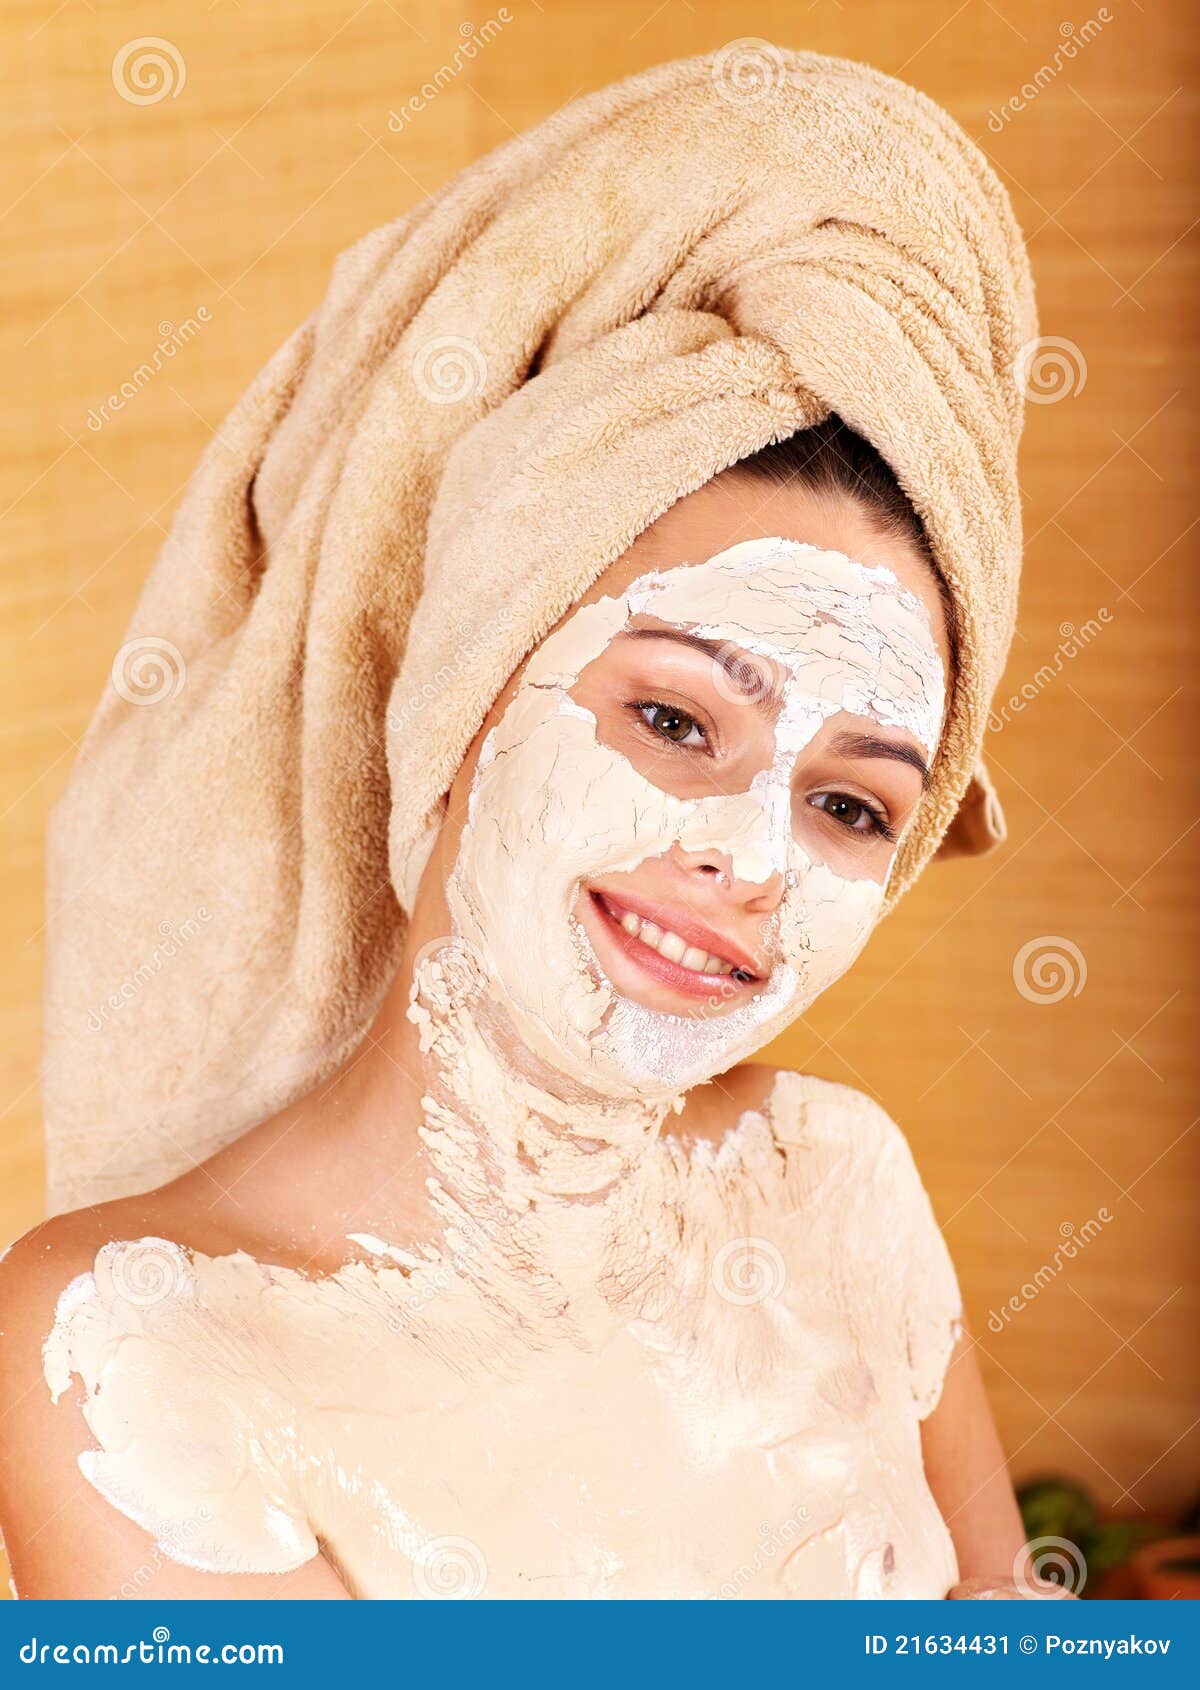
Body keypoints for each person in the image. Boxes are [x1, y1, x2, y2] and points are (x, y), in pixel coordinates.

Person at [0, 420, 1065, 1600]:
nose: (754, 858)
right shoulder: (133, 1343)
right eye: (675, 720)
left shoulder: (829, 1175)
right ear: (467, 703)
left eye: (851, 807)